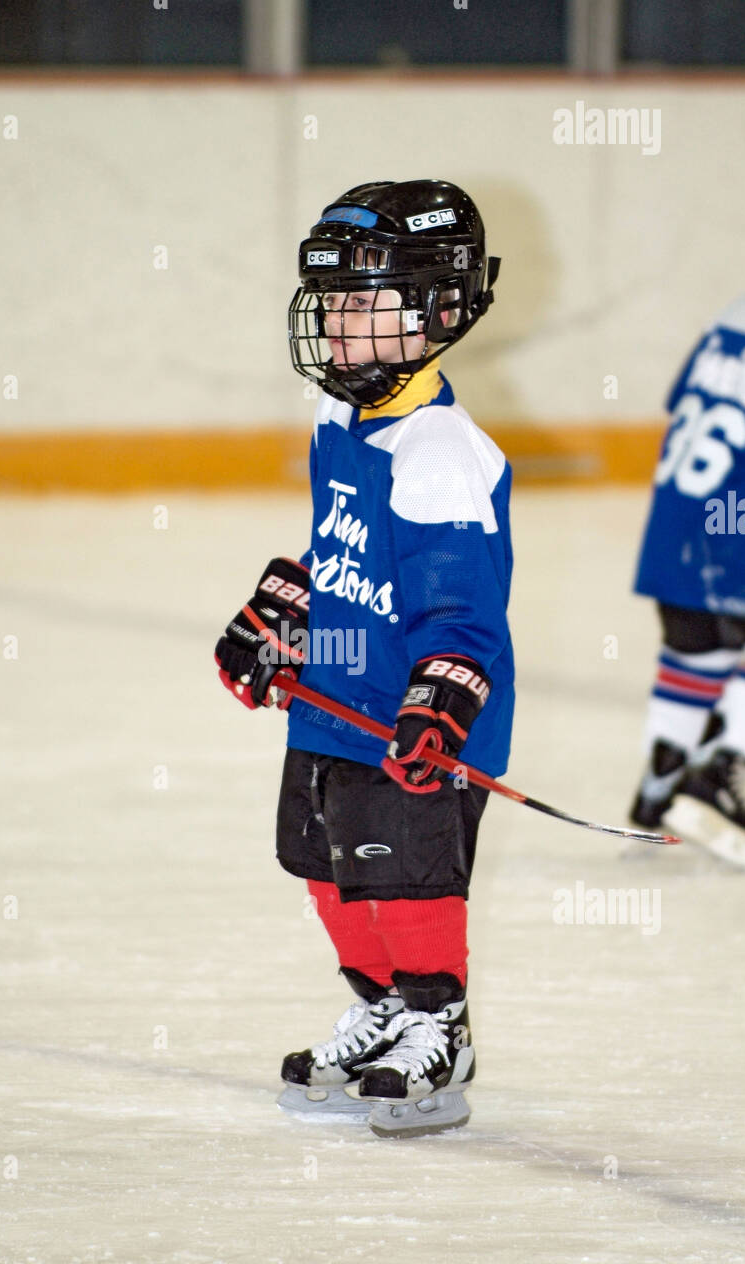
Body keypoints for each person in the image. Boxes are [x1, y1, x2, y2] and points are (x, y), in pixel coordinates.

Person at [215, 180, 514, 1136]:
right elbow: (344, 553)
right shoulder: (338, 417)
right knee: (324, 860)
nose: (334, 324)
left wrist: (440, 703)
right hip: (335, 702)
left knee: (407, 872)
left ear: (433, 313)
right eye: (331, 302)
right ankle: (384, 1001)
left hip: (409, 718)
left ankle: (438, 1020)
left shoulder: (440, 452)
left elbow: (459, 611)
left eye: (359, 303)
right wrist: (288, 617)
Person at [630, 295, 745, 868]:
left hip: (677, 519)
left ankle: (661, 787)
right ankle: (722, 769)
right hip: (731, 521)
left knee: (693, 649)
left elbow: (681, 401)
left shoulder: (732, 313)